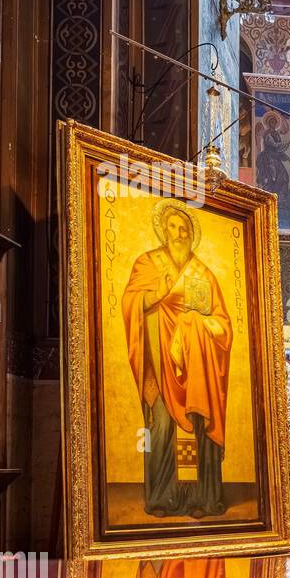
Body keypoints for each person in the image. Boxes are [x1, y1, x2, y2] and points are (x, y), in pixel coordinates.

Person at [122, 202, 232, 517]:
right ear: (163, 230)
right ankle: (161, 498)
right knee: (160, 426)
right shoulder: (147, 263)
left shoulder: (203, 274)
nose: (179, 233)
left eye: (184, 228)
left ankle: (205, 499)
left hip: (197, 365)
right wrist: (153, 296)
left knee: (202, 427)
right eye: (173, 227)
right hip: (158, 363)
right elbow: (130, 302)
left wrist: (199, 323)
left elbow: (223, 324)